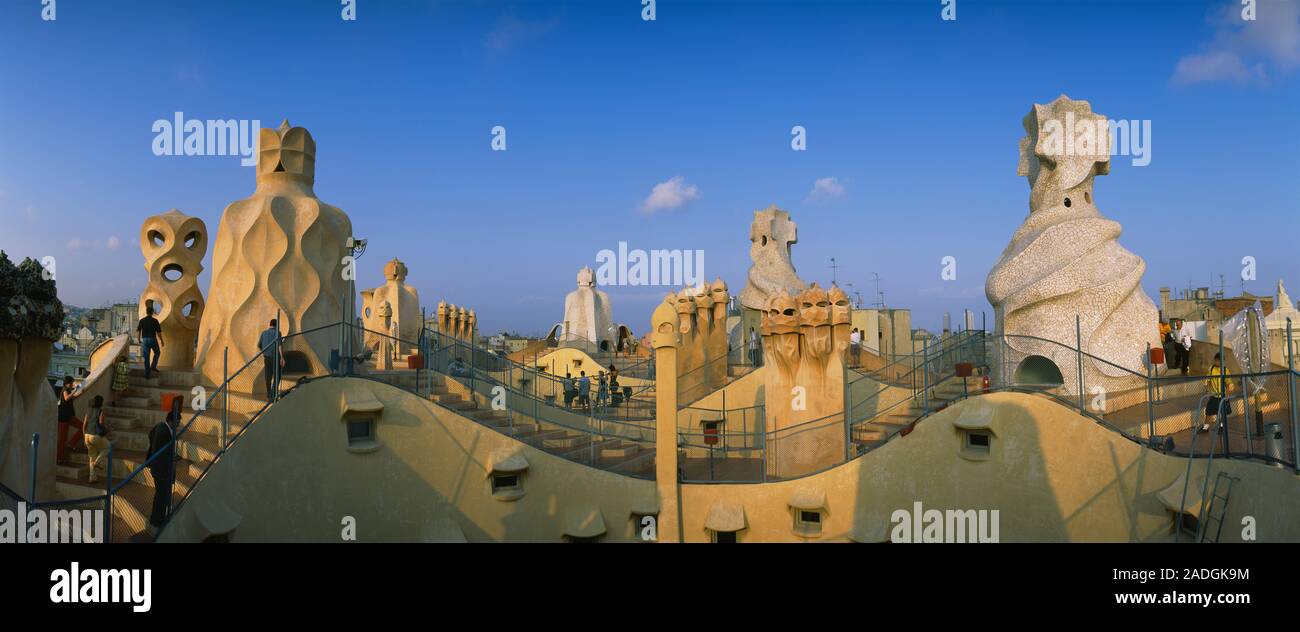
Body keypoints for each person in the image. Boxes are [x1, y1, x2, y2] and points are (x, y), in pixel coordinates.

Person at [146, 397, 181, 536]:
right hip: (162, 470)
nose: (178, 425)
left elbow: (150, 434)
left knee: (161, 495)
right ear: (171, 421)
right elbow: (167, 450)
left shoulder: (160, 426)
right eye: (177, 423)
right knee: (162, 496)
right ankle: (157, 522)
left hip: (157, 468)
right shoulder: (166, 433)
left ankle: (157, 520)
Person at [82, 395, 111, 484]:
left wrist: (84, 436)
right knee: (107, 447)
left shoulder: (88, 410)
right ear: (101, 402)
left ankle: (92, 478)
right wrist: (107, 429)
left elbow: (84, 424)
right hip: (95, 435)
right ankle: (97, 463)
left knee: (92, 457)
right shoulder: (100, 410)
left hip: (87, 435)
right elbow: (101, 422)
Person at [1201, 353, 1232, 433]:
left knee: (1222, 412)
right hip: (1213, 395)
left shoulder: (1225, 370)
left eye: (1219, 361)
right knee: (1209, 411)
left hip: (1222, 395)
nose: (1217, 362)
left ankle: (1221, 427)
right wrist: (1207, 391)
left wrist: (1227, 395)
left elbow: (1228, 383)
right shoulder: (1211, 369)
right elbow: (1208, 380)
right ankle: (1206, 427)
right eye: (1216, 360)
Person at [56, 376, 83, 465]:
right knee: (62, 440)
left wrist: (79, 393)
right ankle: (60, 459)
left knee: (83, 426)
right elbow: (67, 398)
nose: (72, 384)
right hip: (63, 418)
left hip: (69, 416)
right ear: (67, 384)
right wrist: (74, 391)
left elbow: (70, 398)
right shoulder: (65, 390)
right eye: (71, 383)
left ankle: (72, 443)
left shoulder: (67, 390)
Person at [258, 319, 286, 400]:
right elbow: (279, 345)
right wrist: (282, 357)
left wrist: (264, 352)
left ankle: (269, 393)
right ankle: (274, 392)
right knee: (278, 374)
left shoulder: (264, 333)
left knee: (268, 375)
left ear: (270, 324)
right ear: (276, 325)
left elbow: (259, 345)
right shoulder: (278, 332)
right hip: (275, 357)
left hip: (267, 357)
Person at [136, 304, 164, 380]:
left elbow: (139, 331)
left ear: (146, 312)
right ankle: (153, 366)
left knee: (146, 356)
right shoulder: (155, 321)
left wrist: (138, 340)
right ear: (152, 313)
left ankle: (147, 374)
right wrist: (162, 340)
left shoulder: (142, 320)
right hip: (152, 339)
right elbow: (159, 332)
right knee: (157, 352)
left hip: (144, 340)